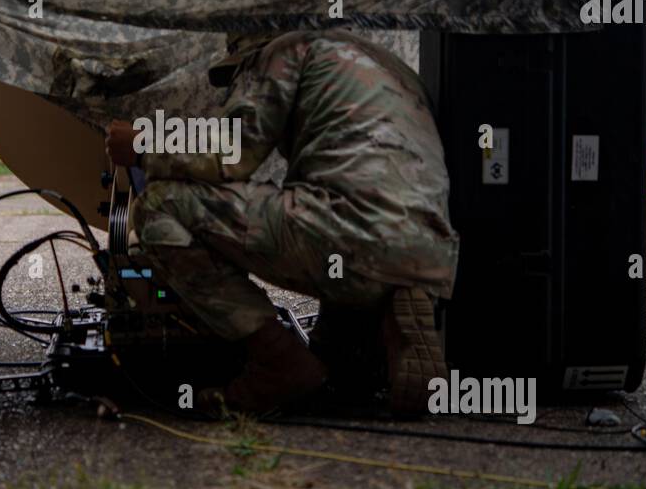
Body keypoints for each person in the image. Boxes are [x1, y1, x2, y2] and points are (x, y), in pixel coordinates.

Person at [105, 29, 459, 417]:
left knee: (159, 204)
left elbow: (233, 150)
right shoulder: (390, 68)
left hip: (345, 233)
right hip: (426, 250)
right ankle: (380, 315)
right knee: (339, 371)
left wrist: (144, 144)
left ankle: (278, 360)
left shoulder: (286, 48)